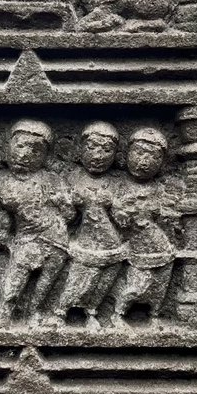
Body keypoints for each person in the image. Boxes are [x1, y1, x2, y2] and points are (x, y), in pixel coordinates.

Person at [0, 120, 73, 322]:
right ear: (8, 147)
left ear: (45, 157)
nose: (25, 155)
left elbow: (70, 214)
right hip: (26, 239)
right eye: (20, 146)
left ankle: (34, 312)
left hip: (57, 239)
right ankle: (4, 311)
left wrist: (62, 204)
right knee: (17, 275)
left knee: (45, 282)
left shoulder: (52, 180)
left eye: (35, 151)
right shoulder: (3, 181)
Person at [55, 121, 125, 326]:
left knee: (104, 282)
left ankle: (92, 313)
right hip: (84, 241)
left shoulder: (117, 182)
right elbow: (67, 218)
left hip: (112, 243)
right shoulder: (72, 178)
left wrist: (114, 205)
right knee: (79, 280)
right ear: (80, 149)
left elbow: (125, 218)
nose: (97, 156)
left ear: (115, 155)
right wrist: (68, 203)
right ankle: (61, 311)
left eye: (106, 150)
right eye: (91, 147)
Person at [111, 128, 175, 322]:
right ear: (125, 154)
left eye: (154, 156)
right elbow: (118, 216)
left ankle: (155, 315)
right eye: (139, 153)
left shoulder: (160, 188)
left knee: (160, 286)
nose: (144, 162)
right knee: (136, 287)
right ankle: (117, 315)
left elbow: (167, 215)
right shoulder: (118, 185)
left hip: (162, 247)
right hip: (137, 249)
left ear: (162, 162)